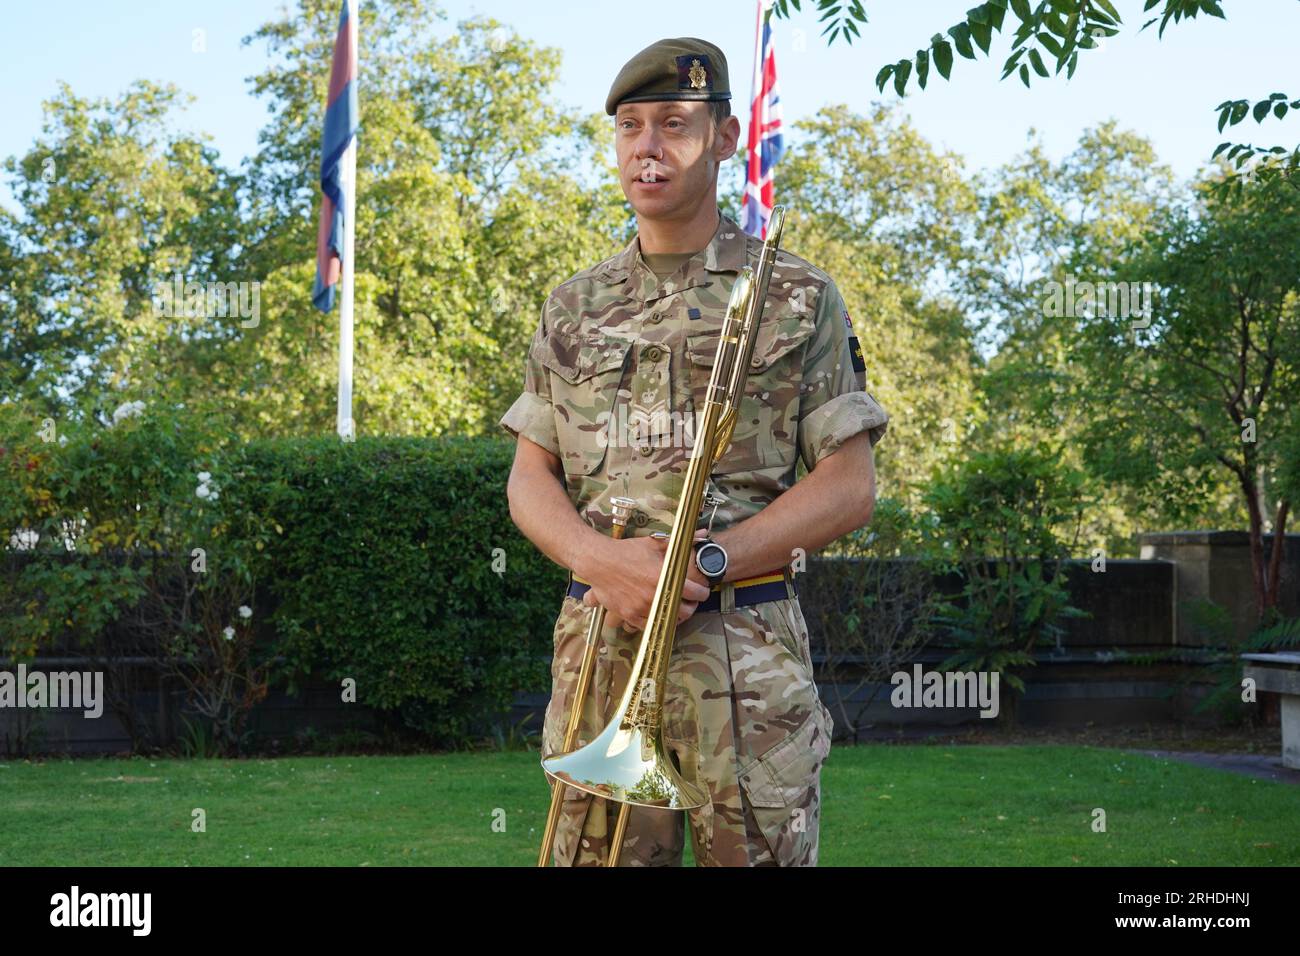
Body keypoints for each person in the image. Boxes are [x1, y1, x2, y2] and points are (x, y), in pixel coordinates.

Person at [499, 36, 889, 866]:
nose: (646, 147)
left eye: (673, 124)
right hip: (601, 643)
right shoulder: (573, 305)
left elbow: (850, 485)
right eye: (630, 126)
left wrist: (701, 561)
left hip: (742, 654)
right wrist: (602, 561)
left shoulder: (795, 293)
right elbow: (530, 477)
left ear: (724, 137)